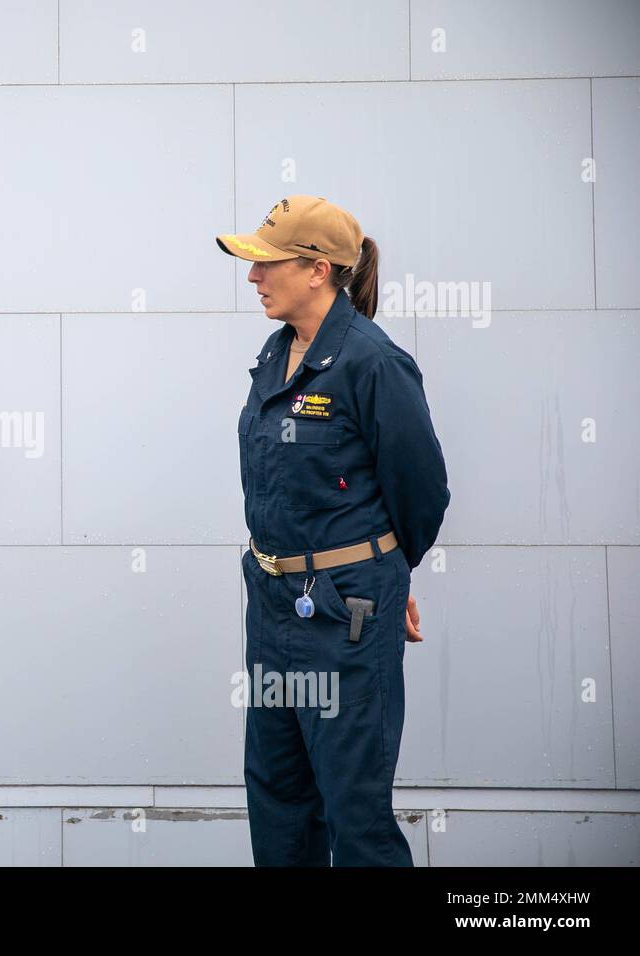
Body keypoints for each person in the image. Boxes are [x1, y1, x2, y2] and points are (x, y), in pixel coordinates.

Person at [217, 195, 449, 866]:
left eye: (267, 264)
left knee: (354, 813)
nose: (254, 278)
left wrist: (384, 572)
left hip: (344, 615)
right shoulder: (274, 354)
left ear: (317, 269)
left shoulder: (373, 364)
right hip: (273, 609)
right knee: (279, 798)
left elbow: (421, 491)